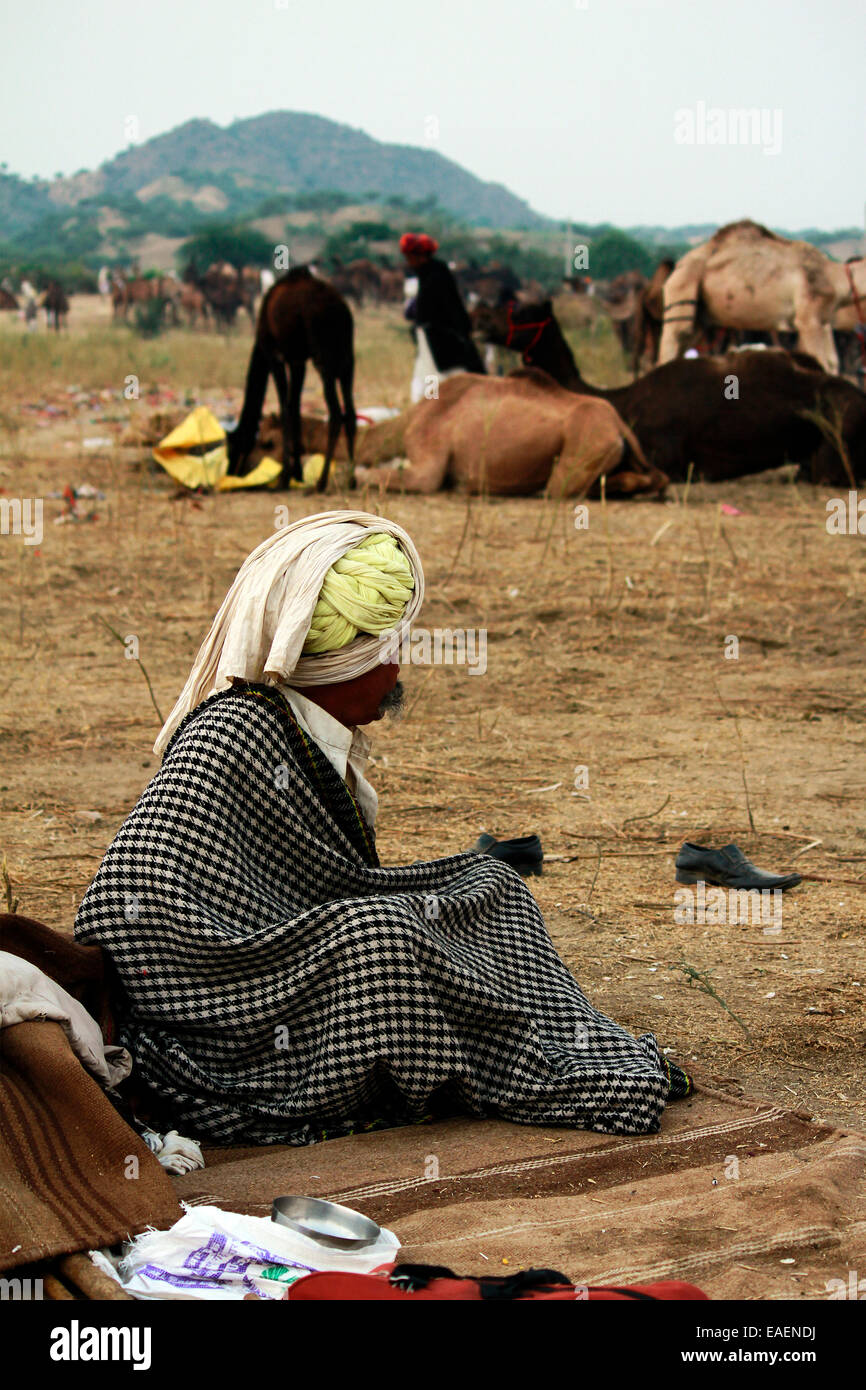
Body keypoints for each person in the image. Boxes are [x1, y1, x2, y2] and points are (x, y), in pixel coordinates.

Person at [75, 510, 689, 1146]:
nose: (398, 668)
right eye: (388, 649)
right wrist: (263, 964)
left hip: (282, 956)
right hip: (212, 1016)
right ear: (342, 666)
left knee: (492, 883)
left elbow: (323, 887)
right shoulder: (230, 733)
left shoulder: (305, 730)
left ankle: (568, 1045)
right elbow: (120, 912)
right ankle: (528, 1070)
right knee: (385, 939)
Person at [400, 232, 486, 401]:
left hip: (440, 343)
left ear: (419, 256)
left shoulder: (435, 276)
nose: (407, 261)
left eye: (409, 256)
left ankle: (434, 408)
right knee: (431, 377)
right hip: (436, 342)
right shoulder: (431, 274)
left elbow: (443, 312)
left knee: (434, 379)